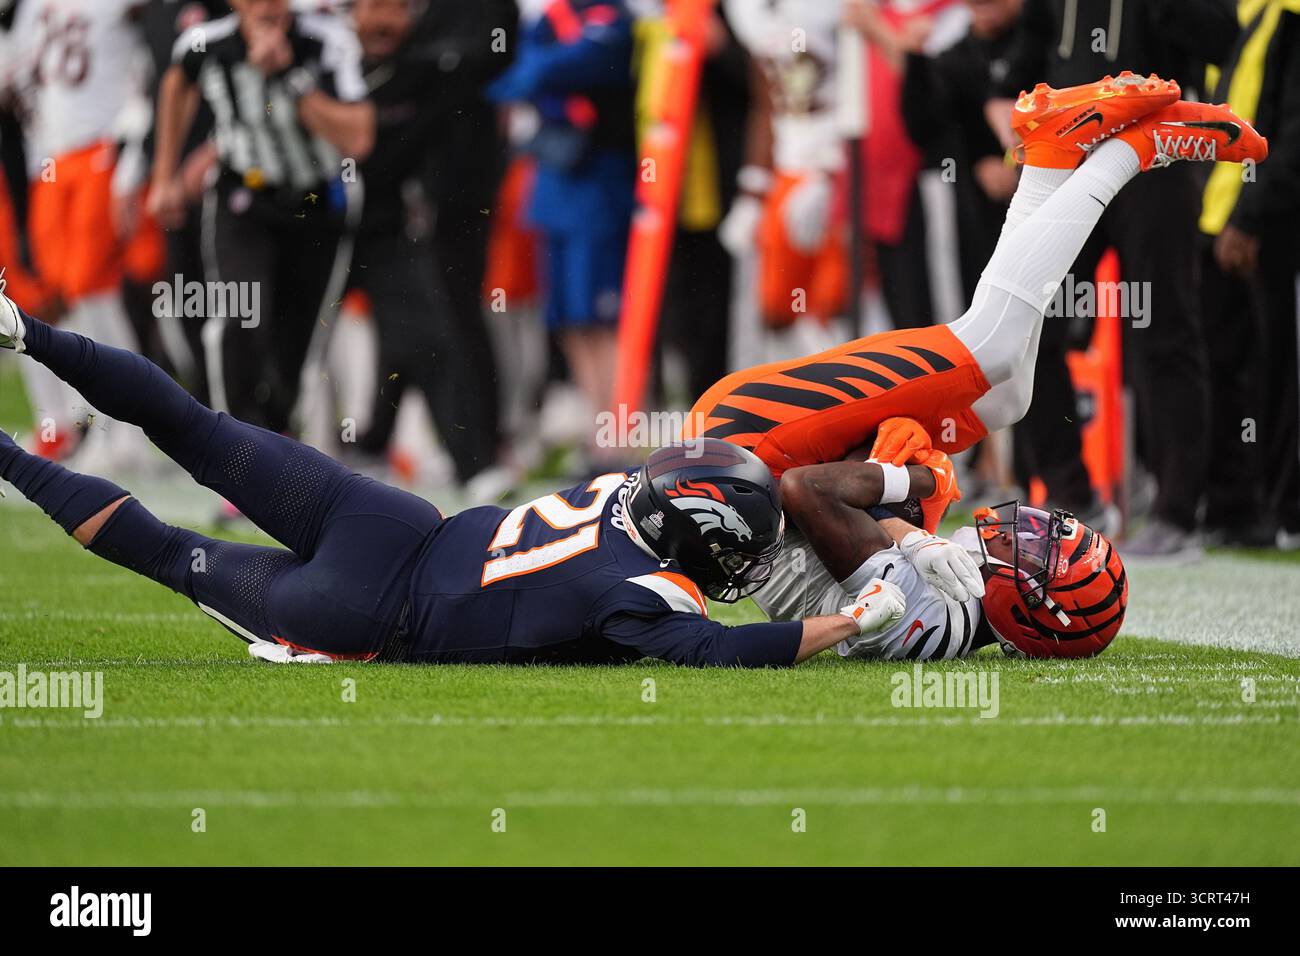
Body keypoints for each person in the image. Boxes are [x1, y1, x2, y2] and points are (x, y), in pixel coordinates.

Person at [0, 286, 909, 666]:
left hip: (392, 521)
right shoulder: (650, 591)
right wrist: (849, 620)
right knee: (167, 552)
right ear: (692, 535)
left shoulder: (617, 494)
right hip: (364, 612)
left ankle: (23, 330)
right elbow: (723, 650)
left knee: (190, 424)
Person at [684, 74, 1268, 656]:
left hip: (744, 440)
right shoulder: (954, 611)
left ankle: (1131, 153)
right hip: (763, 464)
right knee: (1010, 398)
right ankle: (1049, 155)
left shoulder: (929, 622)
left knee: (985, 349)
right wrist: (915, 510)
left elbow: (806, 489)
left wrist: (919, 512)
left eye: (1043, 555)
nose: (1029, 533)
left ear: (1032, 609)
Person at [985, 0, 1243, 559]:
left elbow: (1224, 39)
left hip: (1158, 156)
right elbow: (1031, 44)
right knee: (1028, 321)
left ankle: (1177, 513)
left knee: (1163, 328)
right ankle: (1072, 498)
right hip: (1071, 151)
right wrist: (1004, 104)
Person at [149, 0, 374, 434]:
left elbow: (359, 136)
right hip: (243, 200)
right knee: (237, 319)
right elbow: (177, 82)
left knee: (295, 350)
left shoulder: (326, 40)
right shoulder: (205, 43)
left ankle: (272, 448)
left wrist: (291, 78)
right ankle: (233, 448)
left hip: (314, 205)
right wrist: (164, 175)